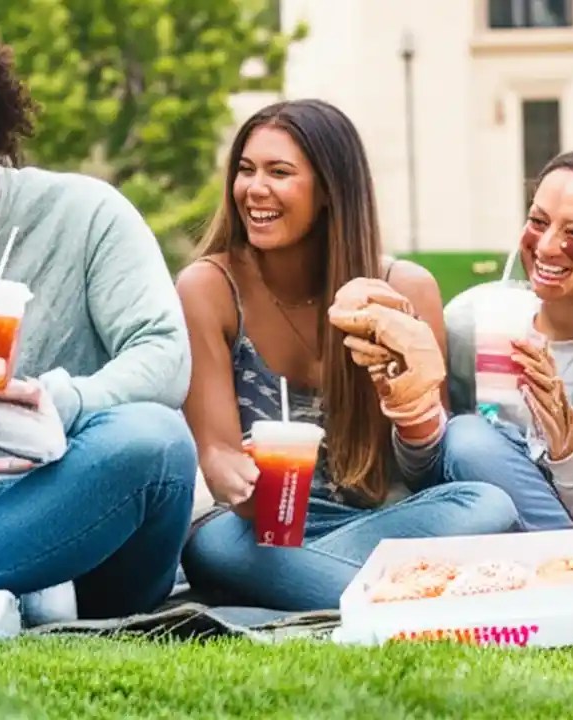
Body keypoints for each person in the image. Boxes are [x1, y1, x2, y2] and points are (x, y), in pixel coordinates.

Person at [0, 0, 196, 644]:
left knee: (155, 438)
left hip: (74, 500)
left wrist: (64, 400)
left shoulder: (84, 212)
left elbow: (165, 355)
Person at [176, 99, 519, 611]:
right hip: (255, 529)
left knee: (487, 503)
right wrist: (240, 480)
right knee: (213, 546)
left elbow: (427, 474)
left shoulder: (402, 291)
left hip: (371, 519)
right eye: (246, 170)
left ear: (330, 191)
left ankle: (325, 588)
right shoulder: (209, 288)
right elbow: (219, 454)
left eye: (279, 172)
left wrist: (409, 408)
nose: (254, 189)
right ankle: (409, 601)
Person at [439, 148, 573, 529]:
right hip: (483, 547)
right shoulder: (472, 322)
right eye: (538, 221)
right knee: (467, 439)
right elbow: (428, 475)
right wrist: (409, 417)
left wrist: (568, 446)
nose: (547, 246)